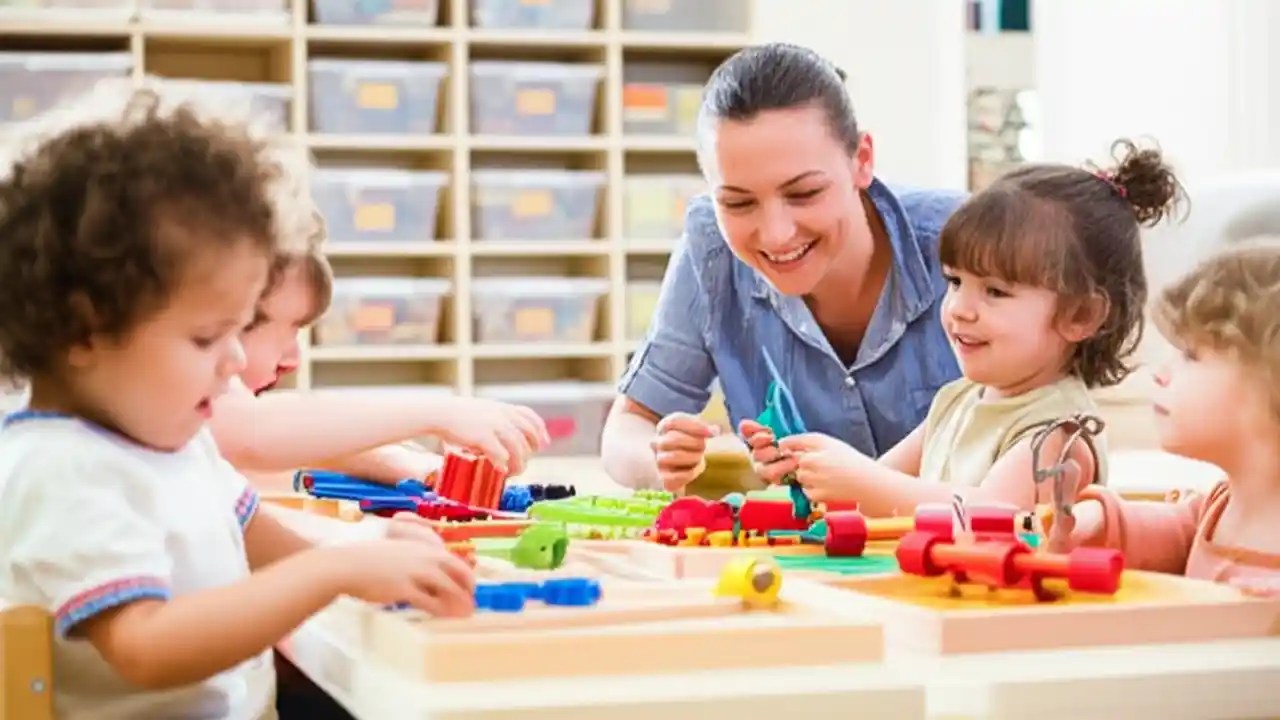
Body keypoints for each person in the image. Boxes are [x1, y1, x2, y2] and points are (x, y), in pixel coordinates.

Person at [0, 84, 473, 719]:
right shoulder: (61, 468)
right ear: (84, 330)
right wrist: (330, 575)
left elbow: (254, 534)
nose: (232, 361)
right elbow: (145, 647)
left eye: (240, 329)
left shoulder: (176, 439)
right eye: (206, 337)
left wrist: (362, 558)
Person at [602, 42, 967, 497]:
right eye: (738, 203)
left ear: (862, 160)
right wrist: (663, 460)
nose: (776, 235)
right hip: (808, 541)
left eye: (804, 193)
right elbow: (628, 428)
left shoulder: (966, 238)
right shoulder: (710, 248)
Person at [752, 139, 1186, 515]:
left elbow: (994, 515)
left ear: (1081, 316)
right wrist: (806, 466)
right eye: (955, 282)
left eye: (995, 291)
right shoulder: (955, 401)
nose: (959, 308)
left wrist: (861, 483)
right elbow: (872, 488)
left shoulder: (1058, 432)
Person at [210, 143, 550, 489]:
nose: (293, 360)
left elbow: (281, 438)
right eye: (289, 328)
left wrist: (405, 464)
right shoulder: (206, 406)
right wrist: (439, 413)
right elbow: (252, 431)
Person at [1048, 240, 1280, 598]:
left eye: (1191, 355)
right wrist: (1100, 523)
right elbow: (1181, 531)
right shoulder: (1221, 505)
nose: (1161, 373)